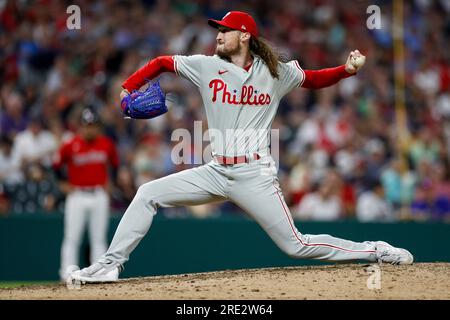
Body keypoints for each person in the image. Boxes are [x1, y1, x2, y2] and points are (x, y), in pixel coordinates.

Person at [70, 11, 413, 283]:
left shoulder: (276, 73)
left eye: (225, 30)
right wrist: (128, 87)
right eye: (218, 30)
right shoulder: (207, 66)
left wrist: (346, 71)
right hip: (217, 170)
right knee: (147, 193)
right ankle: (108, 266)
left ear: (244, 35)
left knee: (296, 245)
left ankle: (375, 250)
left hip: (255, 175)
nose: (218, 35)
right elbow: (162, 63)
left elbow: (313, 78)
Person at [55, 108, 119, 281]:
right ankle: (67, 275)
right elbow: (55, 166)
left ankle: (100, 274)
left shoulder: (106, 144)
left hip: (99, 194)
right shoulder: (70, 144)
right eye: (87, 125)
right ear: (81, 126)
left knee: (98, 238)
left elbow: (115, 165)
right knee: (72, 238)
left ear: (98, 127)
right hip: (77, 195)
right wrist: (63, 184)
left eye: (93, 125)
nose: (90, 129)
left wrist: (111, 182)